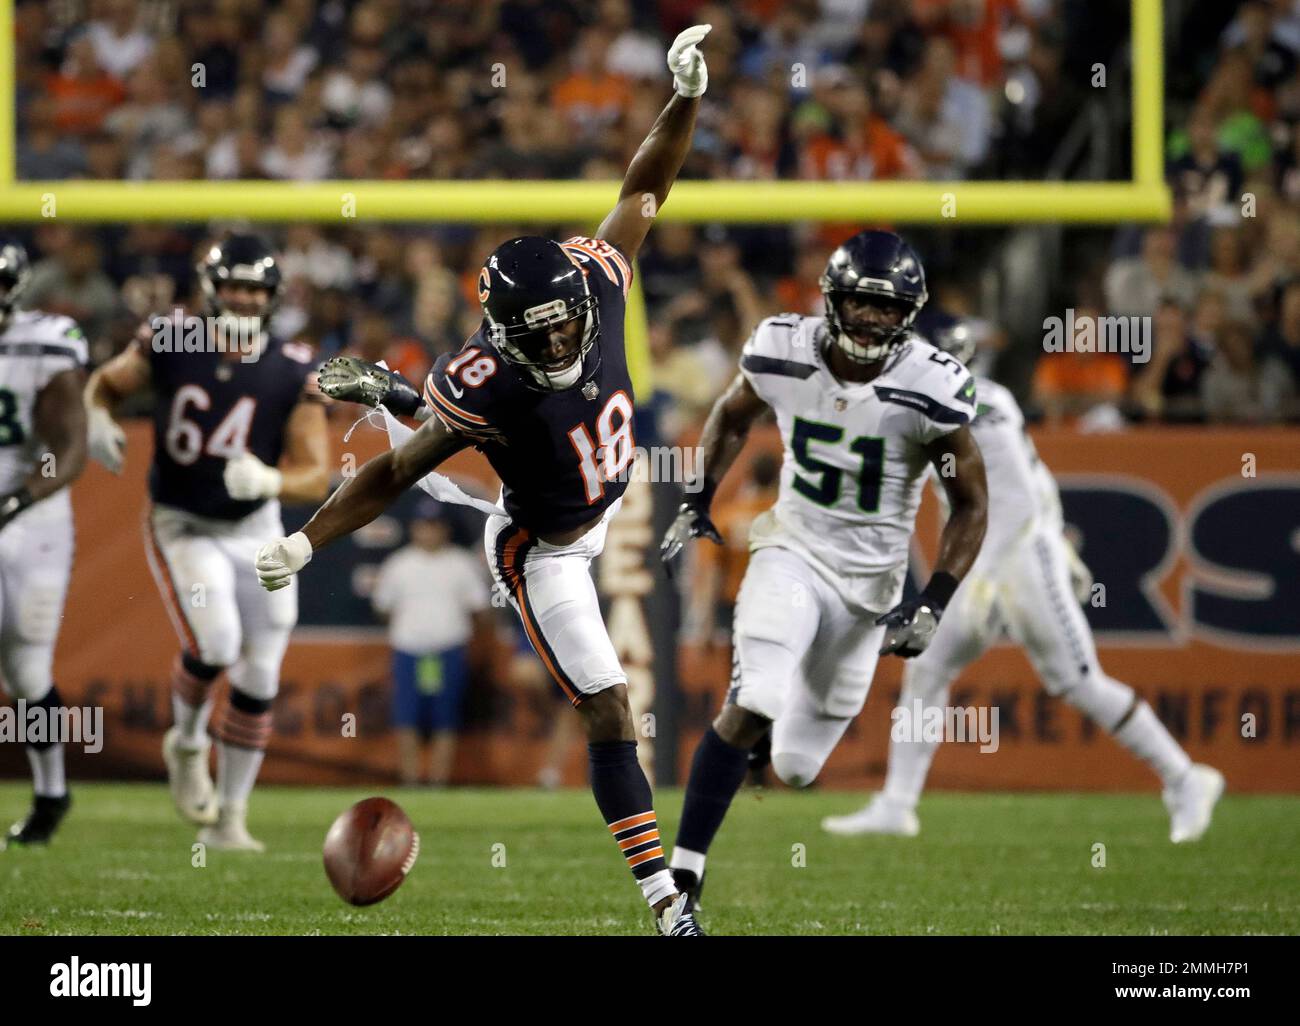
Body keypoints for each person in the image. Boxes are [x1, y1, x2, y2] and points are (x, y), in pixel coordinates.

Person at [253, 26, 715, 937]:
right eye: (534, 335)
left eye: (562, 328)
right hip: (541, 546)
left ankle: (391, 388)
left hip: (594, 498)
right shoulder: (485, 374)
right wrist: (307, 539)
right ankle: (667, 904)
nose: (557, 342)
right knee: (609, 702)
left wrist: (687, 95)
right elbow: (397, 471)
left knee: (461, 446)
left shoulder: (597, 281)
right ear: (500, 332)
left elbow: (644, 191)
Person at [659, 230, 989, 913]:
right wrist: (697, 498)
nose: (873, 318)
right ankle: (683, 876)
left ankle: (765, 737)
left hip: (869, 591)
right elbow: (730, 414)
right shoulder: (782, 348)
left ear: (911, 312)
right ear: (832, 301)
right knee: (755, 702)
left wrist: (933, 602)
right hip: (792, 554)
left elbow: (972, 505)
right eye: (862, 303)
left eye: (889, 307)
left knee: (797, 767)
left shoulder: (932, 384)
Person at [822, 314, 1225, 843]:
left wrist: (979, 577)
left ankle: (1185, 777)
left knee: (1076, 680)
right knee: (927, 668)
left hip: (1020, 554)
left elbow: (1013, 503)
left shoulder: (982, 402)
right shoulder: (922, 410)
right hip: (982, 563)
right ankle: (898, 804)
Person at [84, 233, 330, 851]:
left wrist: (273, 478)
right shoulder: (172, 339)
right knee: (217, 642)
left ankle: (230, 820)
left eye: (255, 288)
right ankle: (188, 742)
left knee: (261, 673)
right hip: (184, 520)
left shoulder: (293, 366)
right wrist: (96, 417)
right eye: (235, 286)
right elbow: (107, 384)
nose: (244, 299)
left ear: (271, 297)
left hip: (255, 527)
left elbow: (317, 473)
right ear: (212, 289)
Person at [0, 239, 89, 847]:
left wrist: (14, 501)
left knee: (29, 670)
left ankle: (52, 793)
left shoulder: (45, 342)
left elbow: (68, 452)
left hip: (31, 515)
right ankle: (53, 794)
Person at [371, 499, 490, 786]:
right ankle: (410, 779)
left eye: (434, 526)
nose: (429, 532)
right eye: (424, 526)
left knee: (445, 719)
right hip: (409, 650)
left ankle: (438, 780)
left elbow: (479, 609)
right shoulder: (399, 564)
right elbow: (383, 607)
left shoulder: (460, 564)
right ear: (414, 528)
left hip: (448, 649)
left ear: (445, 529)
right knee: (407, 717)